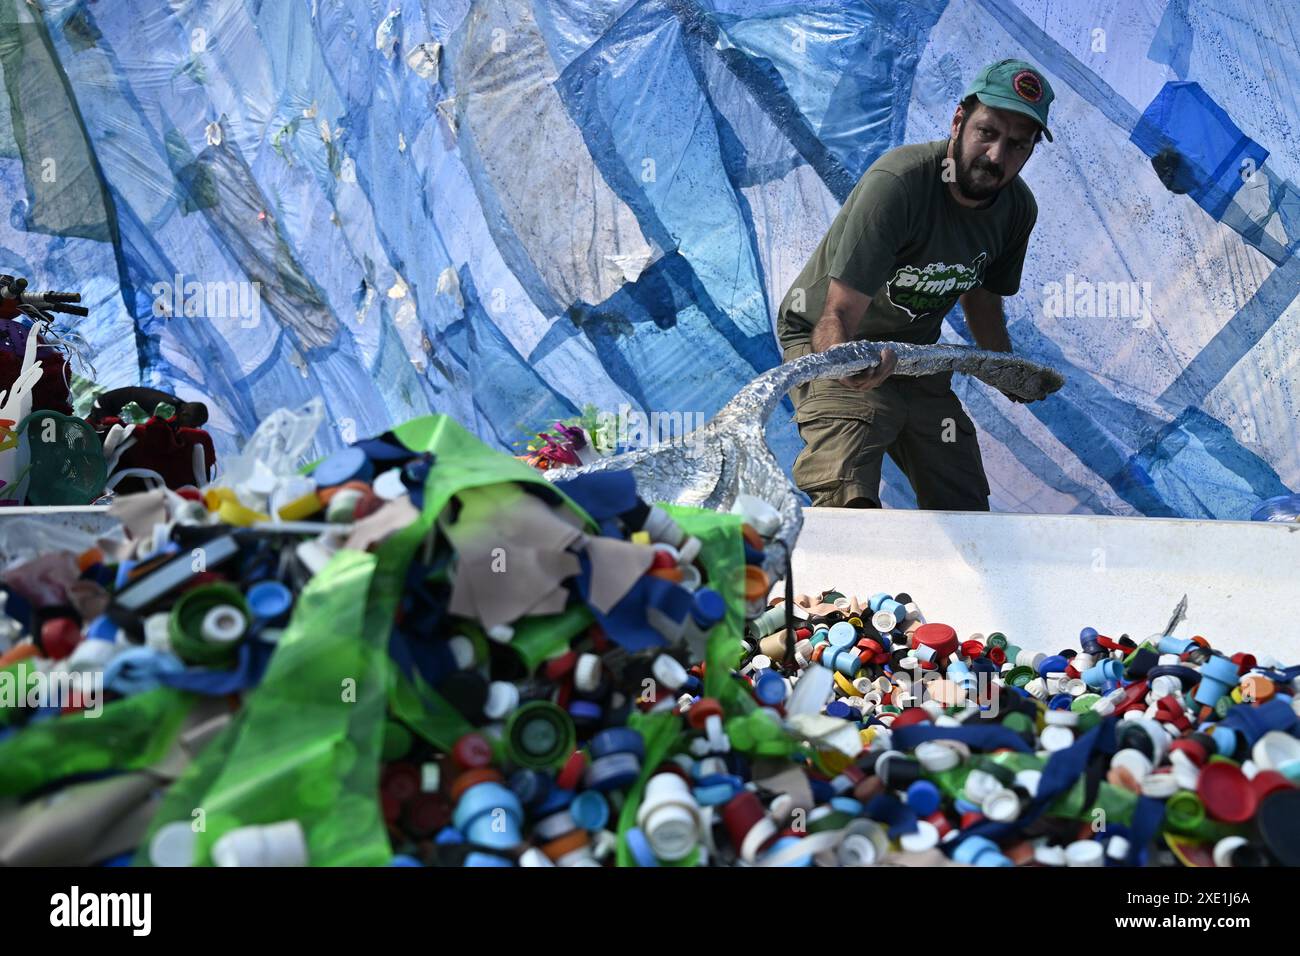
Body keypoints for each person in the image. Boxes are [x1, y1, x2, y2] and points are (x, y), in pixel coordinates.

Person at [776, 59, 1054, 510]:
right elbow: (837, 314)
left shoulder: (1017, 209)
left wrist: (1004, 367)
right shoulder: (899, 184)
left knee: (965, 508)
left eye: (1017, 145)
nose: (996, 157)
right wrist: (844, 363)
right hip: (834, 339)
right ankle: (845, 580)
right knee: (847, 495)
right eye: (987, 132)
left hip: (915, 356)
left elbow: (980, 294)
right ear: (959, 122)